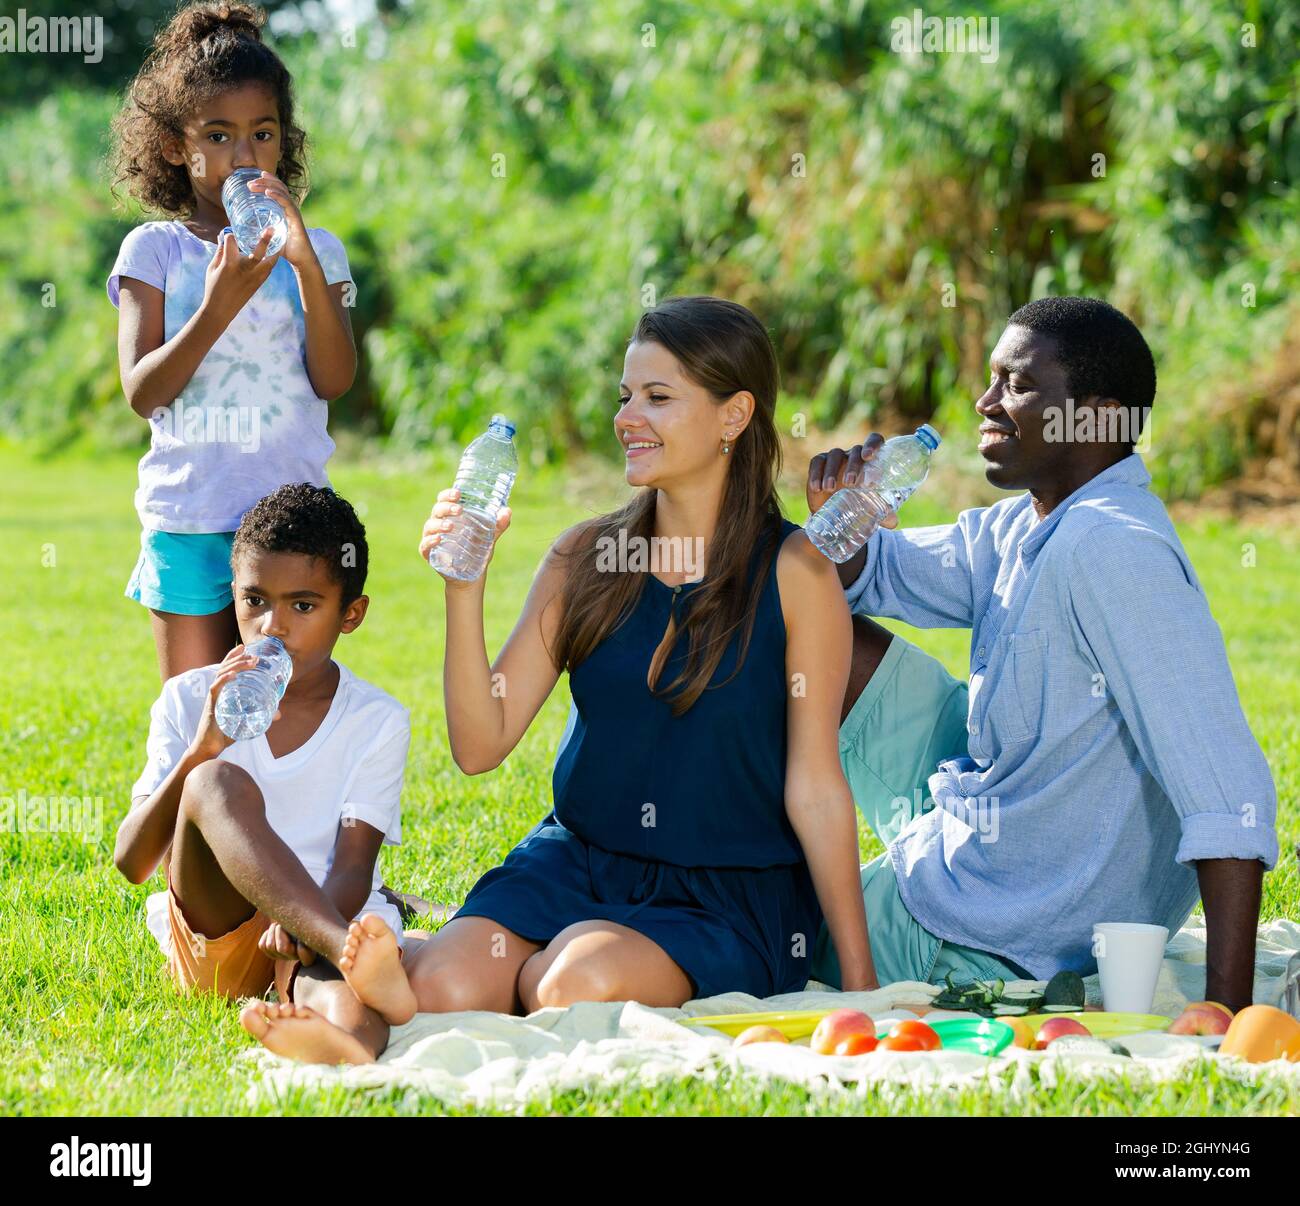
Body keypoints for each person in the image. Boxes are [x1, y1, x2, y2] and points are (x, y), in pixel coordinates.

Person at [806, 296, 1278, 1011]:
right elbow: (866, 576)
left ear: (1095, 415)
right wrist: (839, 518)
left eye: (1016, 385)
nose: (985, 402)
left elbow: (1231, 801)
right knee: (809, 625)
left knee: (757, 936)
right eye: (992, 379)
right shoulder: (1029, 522)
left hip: (1002, 925)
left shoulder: (1113, 551)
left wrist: (1228, 1017)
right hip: (995, 816)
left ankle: (735, 879)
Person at [407, 296, 875, 1015]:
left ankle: (538, 963)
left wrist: (861, 982)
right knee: (442, 987)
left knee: (569, 985)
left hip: (725, 893)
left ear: (734, 415)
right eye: (626, 396)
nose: (628, 418)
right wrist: (462, 586)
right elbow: (479, 745)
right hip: (577, 860)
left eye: (659, 397)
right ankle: (446, 953)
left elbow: (815, 784)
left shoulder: (797, 572)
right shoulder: (584, 557)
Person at [115, 484, 416, 1066]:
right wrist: (203, 747)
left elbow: (355, 865)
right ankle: (345, 950)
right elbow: (132, 861)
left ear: (350, 614)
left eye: (303, 606)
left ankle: (349, 1044)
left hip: (323, 914)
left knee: (339, 988)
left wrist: (308, 932)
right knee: (214, 784)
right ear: (233, 597)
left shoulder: (377, 719)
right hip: (221, 930)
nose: (272, 626)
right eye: (254, 601)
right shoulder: (188, 699)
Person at [106, 2, 356, 683]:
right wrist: (218, 305)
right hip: (190, 516)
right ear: (173, 146)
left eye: (263, 134)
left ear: (284, 141)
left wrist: (303, 262)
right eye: (217, 136)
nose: (245, 157)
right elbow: (143, 391)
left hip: (291, 528)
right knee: (192, 711)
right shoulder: (154, 250)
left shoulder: (320, 251)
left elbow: (333, 378)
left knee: (274, 711)